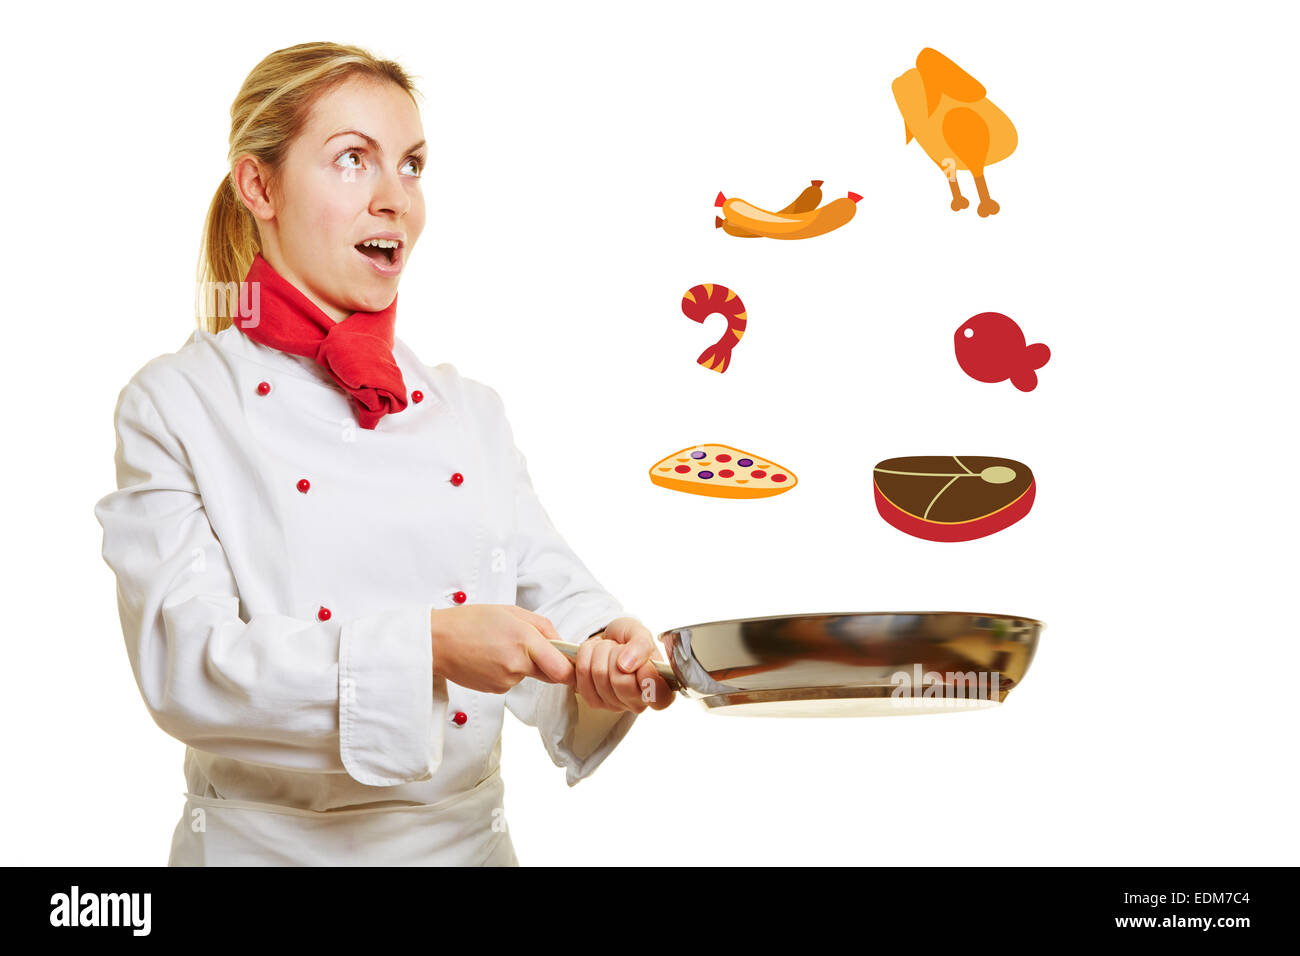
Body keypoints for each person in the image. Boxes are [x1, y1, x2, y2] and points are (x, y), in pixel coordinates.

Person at [92, 41, 674, 866]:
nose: (394, 199)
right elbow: (190, 669)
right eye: (353, 161)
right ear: (259, 186)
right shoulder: (176, 403)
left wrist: (607, 656)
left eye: (411, 166)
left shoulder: (469, 410)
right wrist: (431, 646)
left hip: (470, 851)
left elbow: (550, 590)